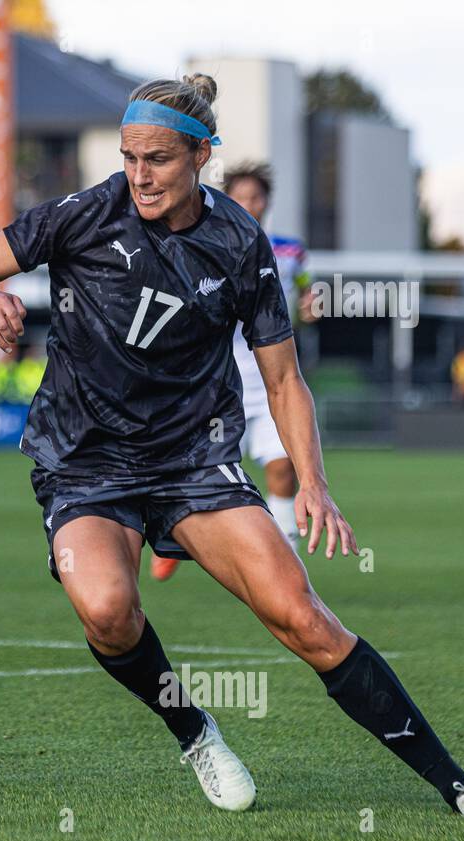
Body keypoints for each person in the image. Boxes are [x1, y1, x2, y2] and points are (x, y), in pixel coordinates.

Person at [0, 75, 464, 823]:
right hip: (84, 462)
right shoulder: (83, 213)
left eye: (158, 159)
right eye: (129, 156)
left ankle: (459, 788)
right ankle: (195, 732)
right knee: (108, 609)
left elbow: (283, 377)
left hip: (192, 462)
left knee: (303, 617)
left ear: (200, 156)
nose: (139, 175)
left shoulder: (240, 242)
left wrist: (313, 481)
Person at [151, 161, 311, 581]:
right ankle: (176, 530)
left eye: (256, 197)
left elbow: (306, 293)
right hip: (219, 381)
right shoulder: (208, 244)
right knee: (202, 473)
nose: (249, 204)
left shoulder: (291, 250)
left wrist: (313, 306)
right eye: (241, 197)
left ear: (266, 203)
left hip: (271, 378)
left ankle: (283, 568)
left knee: (281, 466)